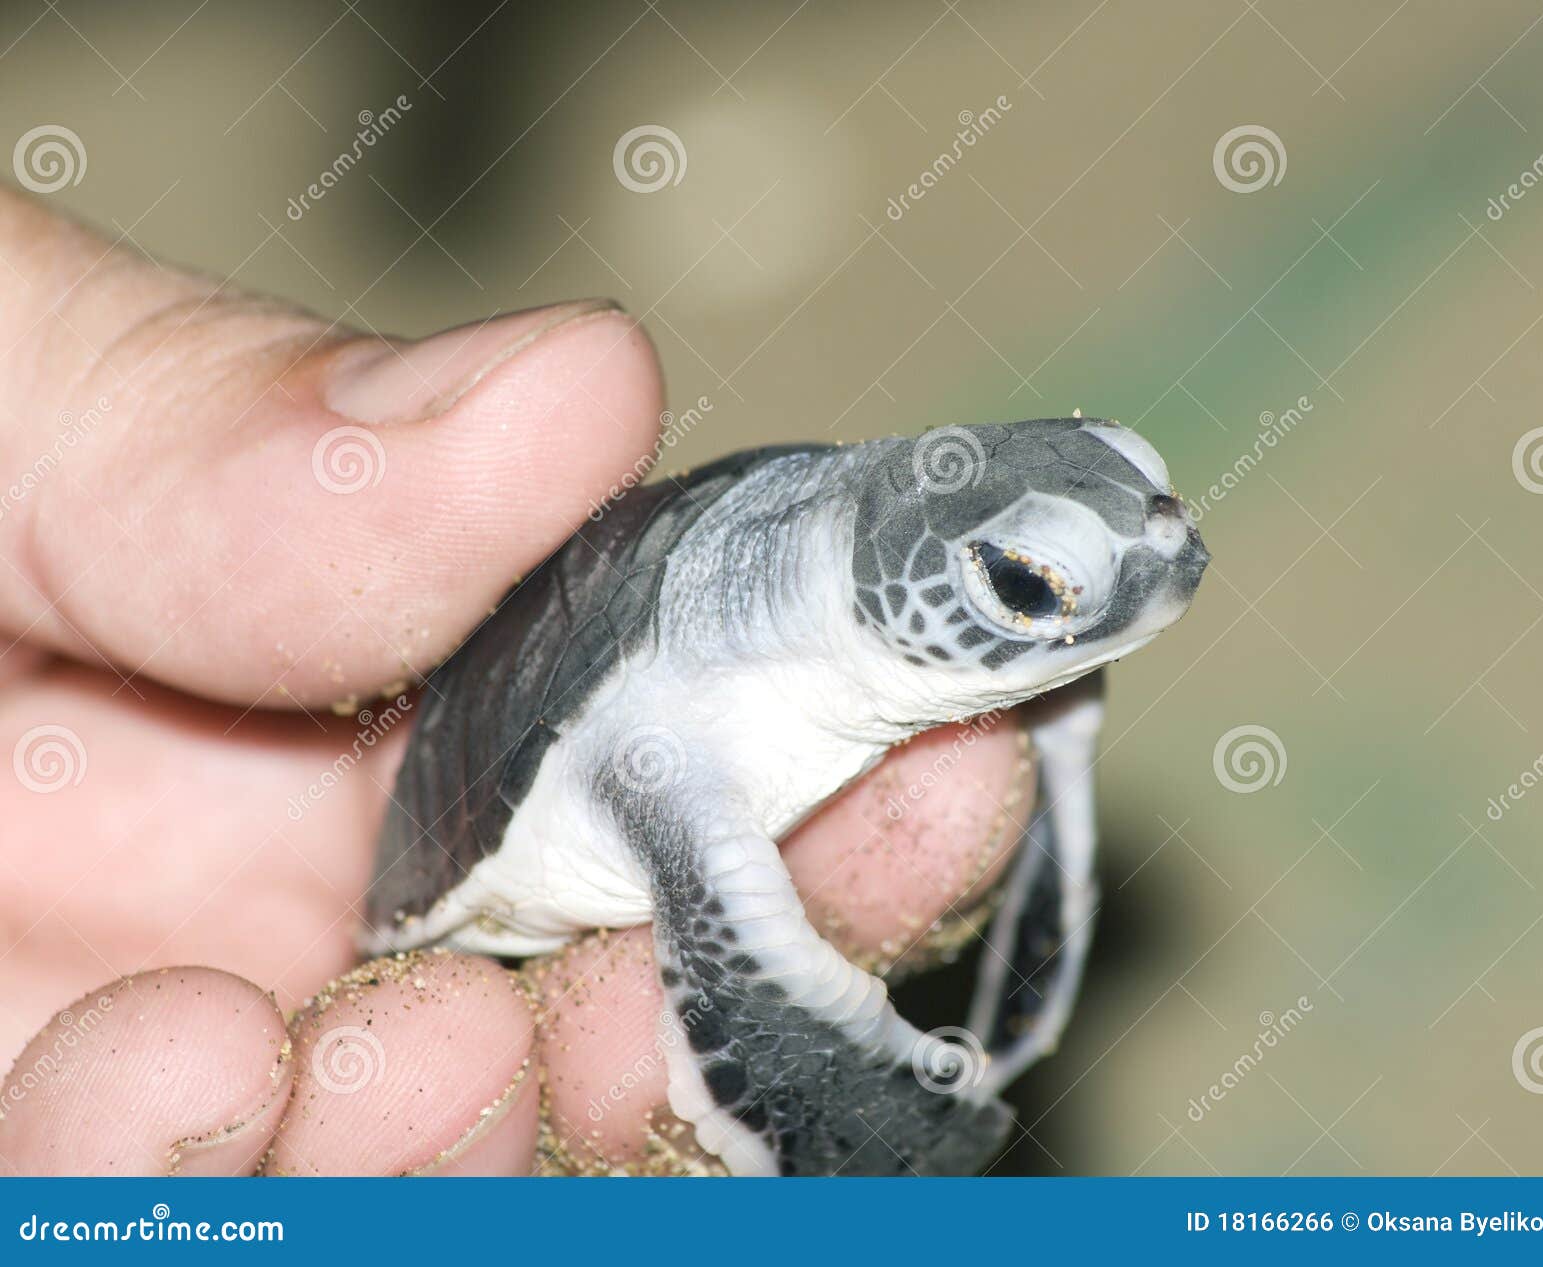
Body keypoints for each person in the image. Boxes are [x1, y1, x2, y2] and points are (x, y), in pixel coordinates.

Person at [0, 188, 1034, 1175]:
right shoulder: (689, 752)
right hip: (460, 842)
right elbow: (750, 962)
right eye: (1031, 588)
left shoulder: (822, 510)